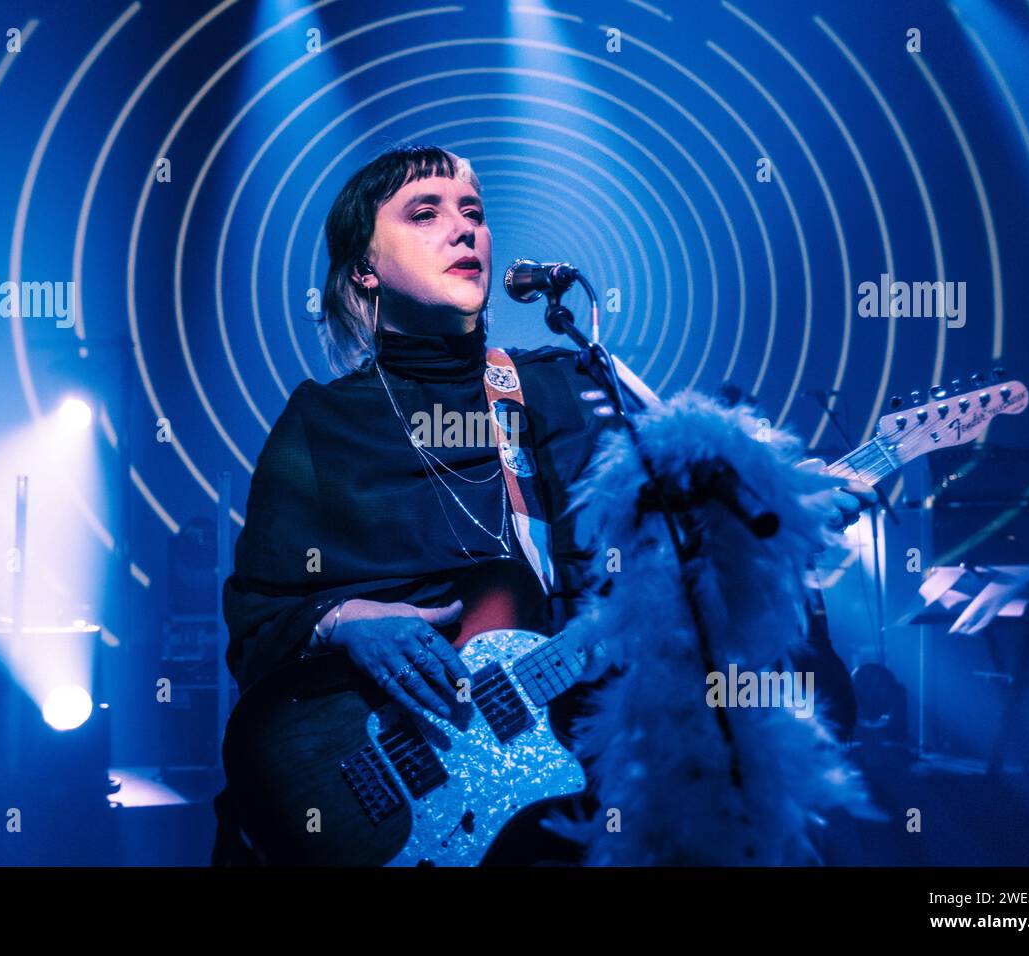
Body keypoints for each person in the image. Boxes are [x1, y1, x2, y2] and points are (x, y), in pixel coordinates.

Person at [212, 143, 874, 865]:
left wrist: (764, 531)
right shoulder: (321, 423)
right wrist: (346, 621)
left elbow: (674, 563)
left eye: (474, 213)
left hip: (587, 784)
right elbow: (258, 622)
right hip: (402, 792)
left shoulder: (573, 389)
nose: (464, 230)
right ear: (365, 268)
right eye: (424, 213)